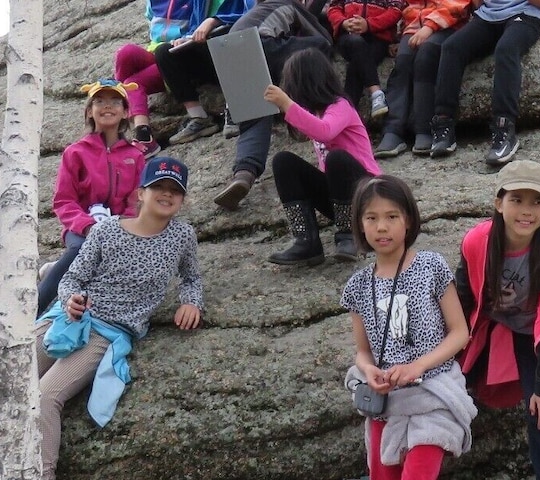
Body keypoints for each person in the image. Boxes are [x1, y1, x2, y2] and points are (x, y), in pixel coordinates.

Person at [35, 156, 204, 474]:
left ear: (182, 199)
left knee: (45, 397)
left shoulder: (183, 237)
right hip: (69, 315)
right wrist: (69, 300)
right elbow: (72, 277)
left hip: (107, 331)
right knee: (3, 377)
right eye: (158, 187)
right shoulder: (106, 230)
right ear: (141, 193)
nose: (166, 194)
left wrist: (191, 302)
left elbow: (192, 278)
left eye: (175, 190)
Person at [340, 175, 476, 480]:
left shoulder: (431, 266)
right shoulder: (357, 286)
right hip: (386, 400)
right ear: (360, 224)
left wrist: (417, 367)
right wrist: (369, 371)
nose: (382, 227)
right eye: (371, 218)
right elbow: (363, 352)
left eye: (391, 216)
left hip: (433, 392)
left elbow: (460, 333)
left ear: (408, 221)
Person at [456, 160, 540, 479]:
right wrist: (453, 347)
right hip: (485, 321)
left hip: (530, 334)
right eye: (517, 200)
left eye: (537, 202)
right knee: (450, 384)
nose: (527, 211)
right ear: (499, 203)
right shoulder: (477, 242)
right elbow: (463, 296)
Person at [154, 0, 335, 210]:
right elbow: (322, 38)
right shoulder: (287, 4)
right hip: (259, 44)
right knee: (318, 49)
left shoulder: (250, 12)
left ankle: (244, 173)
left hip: (234, 51)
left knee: (256, 108)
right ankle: (304, 113)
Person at [38, 79, 155, 314]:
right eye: (99, 101)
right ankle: (33, 311)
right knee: (81, 251)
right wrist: (88, 226)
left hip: (120, 227)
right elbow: (64, 201)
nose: (107, 107)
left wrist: (125, 227)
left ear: (125, 112)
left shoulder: (135, 155)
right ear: (90, 111)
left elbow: (136, 201)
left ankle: (55, 271)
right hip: (81, 228)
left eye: (114, 101)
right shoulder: (76, 152)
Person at [263, 49, 384, 265]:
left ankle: (349, 234)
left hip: (369, 194)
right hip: (341, 200)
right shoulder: (317, 113)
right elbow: (310, 128)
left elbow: (325, 131)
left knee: (336, 158)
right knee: (283, 162)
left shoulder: (341, 105)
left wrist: (288, 104)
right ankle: (306, 241)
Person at [109, 0, 255, 143]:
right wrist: (186, 38)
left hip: (231, 46)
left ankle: (236, 108)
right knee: (142, 53)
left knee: (226, 37)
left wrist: (213, 21)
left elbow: (251, 12)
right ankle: (122, 120)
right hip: (195, 50)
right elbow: (195, 25)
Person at [427, 0, 540, 164]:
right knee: (451, 47)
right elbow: (477, 4)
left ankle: (504, 128)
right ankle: (444, 122)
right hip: (487, 16)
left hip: (525, 16)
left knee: (506, 49)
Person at [371, 0, 470, 158]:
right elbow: (406, 6)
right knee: (403, 61)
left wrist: (429, 27)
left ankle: (424, 129)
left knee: (425, 56)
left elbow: (457, 5)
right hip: (414, 27)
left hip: (450, 25)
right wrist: (398, 36)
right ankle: (393, 130)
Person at [324, 0, 405, 119]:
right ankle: (376, 92)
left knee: (356, 64)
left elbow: (396, 11)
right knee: (357, 44)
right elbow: (333, 8)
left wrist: (369, 24)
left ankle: (346, 113)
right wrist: (344, 22)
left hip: (378, 38)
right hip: (349, 37)